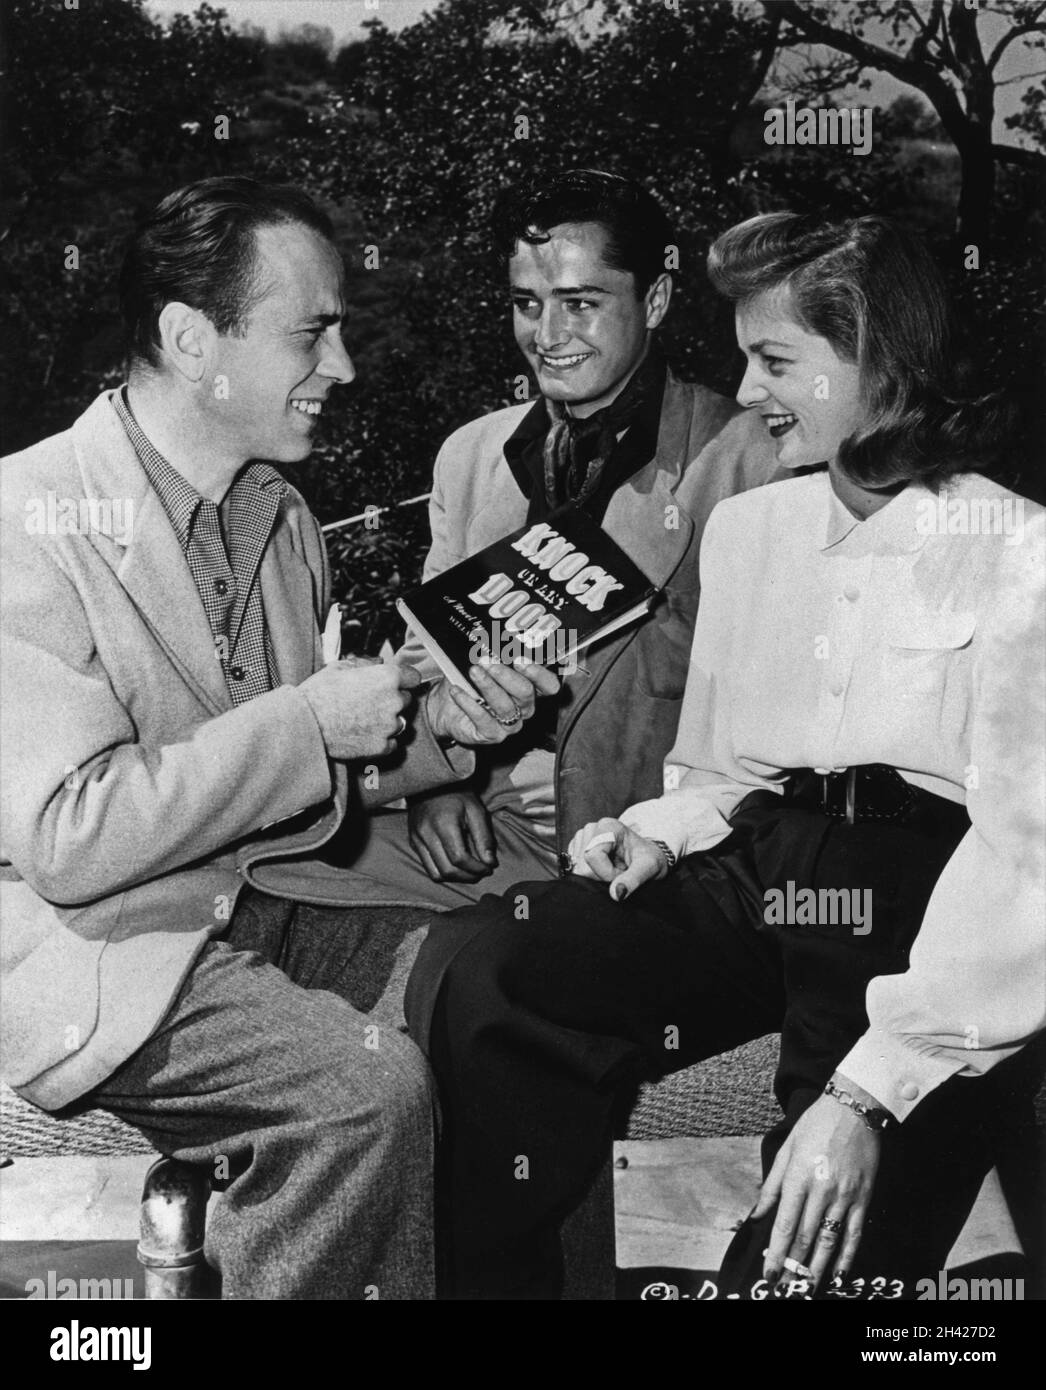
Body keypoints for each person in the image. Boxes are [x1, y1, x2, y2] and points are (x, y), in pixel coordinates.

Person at [404, 211, 1046, 1300]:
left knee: (804, 1253)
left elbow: (1025, 856)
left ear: (878, 358)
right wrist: (651, 837)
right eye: (745, 359)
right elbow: (715, 770)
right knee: (488, 968)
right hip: (757, 864)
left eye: (776, 362)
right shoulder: (749, 531)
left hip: (922, 888)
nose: (747, 392)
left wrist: (869, 1093)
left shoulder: (1016, 548)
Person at [0, 176, 557, 1300]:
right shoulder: (28, 516)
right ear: (188, 338)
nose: (342, 366)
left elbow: (301, 785)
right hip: (96, 948)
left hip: (268, 906)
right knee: (361, 1096)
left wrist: (441, 731)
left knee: (524, 1010)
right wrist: (307, 720)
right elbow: (68, 836)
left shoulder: (281, 516)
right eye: (311, 333)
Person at [330, 169, 779, 910]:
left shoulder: (754, 463)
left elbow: (769, 732)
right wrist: (436, 786)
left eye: (580, 304)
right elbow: (423, 660)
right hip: (487, 824)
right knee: (279, 867)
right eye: (526, 304)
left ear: (655, 301)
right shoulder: (469, 456)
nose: (546, 337)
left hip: (646, 847)